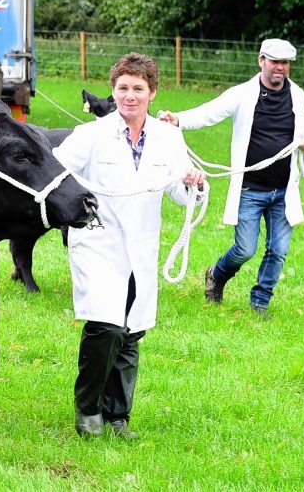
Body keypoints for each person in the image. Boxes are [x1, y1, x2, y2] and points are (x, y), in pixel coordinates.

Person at [54, 52, 205, 440]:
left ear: (152, 92)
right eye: (123, 88)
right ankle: (88, 410)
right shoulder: (90, 135)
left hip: (140, 246)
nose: (130, 96)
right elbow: (55, 174)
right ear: (113, 90)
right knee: (106, 325)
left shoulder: (169, 137)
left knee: (132, 330)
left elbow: (177, 190)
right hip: (98, 241)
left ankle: (118, 416)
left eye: (138, 88)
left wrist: (193, 182)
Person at [158, 39, 304, 317]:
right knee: (244, 249)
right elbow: (210, 112)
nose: (280, 67)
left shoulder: (298, 96)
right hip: (250, 189)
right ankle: (217, 275)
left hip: (284, 189)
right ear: (261, 61)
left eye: (285, 63)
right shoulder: (243, 94)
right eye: (274, 61)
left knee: (278, 250)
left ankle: (260, 302)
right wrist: (178, 119)